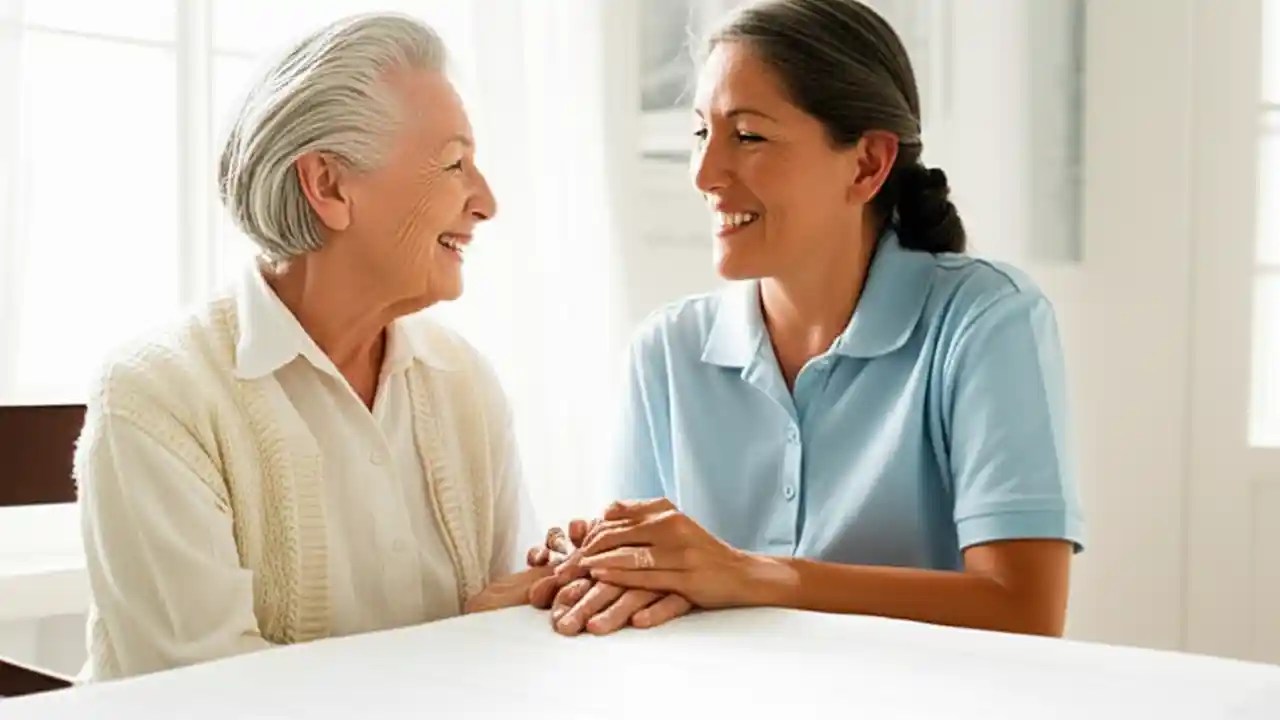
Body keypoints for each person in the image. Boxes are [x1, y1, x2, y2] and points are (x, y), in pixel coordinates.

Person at [529, 0, 1084, 638]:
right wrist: (591, 571)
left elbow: (1024, 611)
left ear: (867, 163)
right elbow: (644, 600)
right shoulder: (665, 351)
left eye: (747, 136)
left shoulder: (986, 321)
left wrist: (756, 576)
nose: (706, 174)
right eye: (700, 134)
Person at [74, 13, 544, 681]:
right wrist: (470, 646)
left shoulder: (463, 379)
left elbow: (512, 629)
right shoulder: (155, 397)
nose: (486, 201)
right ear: (328, 185)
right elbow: (202, 695)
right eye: (454, 164)